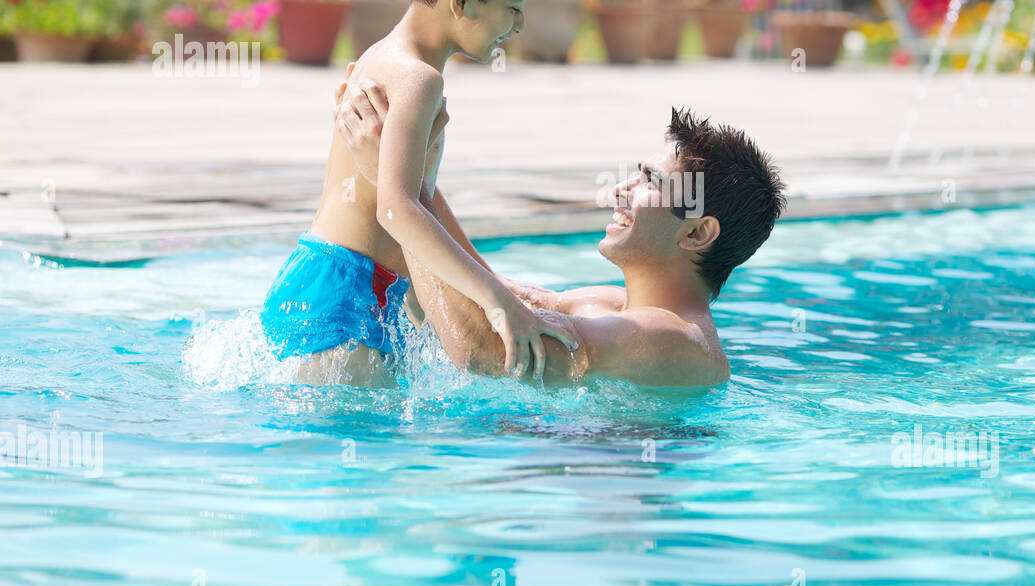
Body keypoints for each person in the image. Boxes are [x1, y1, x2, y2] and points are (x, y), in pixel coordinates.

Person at [260, 0, 576, 386]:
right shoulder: (418, 78)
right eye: (515, 5)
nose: (519, 26)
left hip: (334, 279)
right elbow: (396, 208)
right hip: (346, 289)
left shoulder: (384, 56)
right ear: (463, 0)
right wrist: (498, 304)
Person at [333, 79, 787, 388]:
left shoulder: (672, 341)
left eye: (650, 182)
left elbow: (485, 354)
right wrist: (416, 171)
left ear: (698, 232)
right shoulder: (612, 304)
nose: (620, 190)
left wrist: (396, 189)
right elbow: (493, 296)